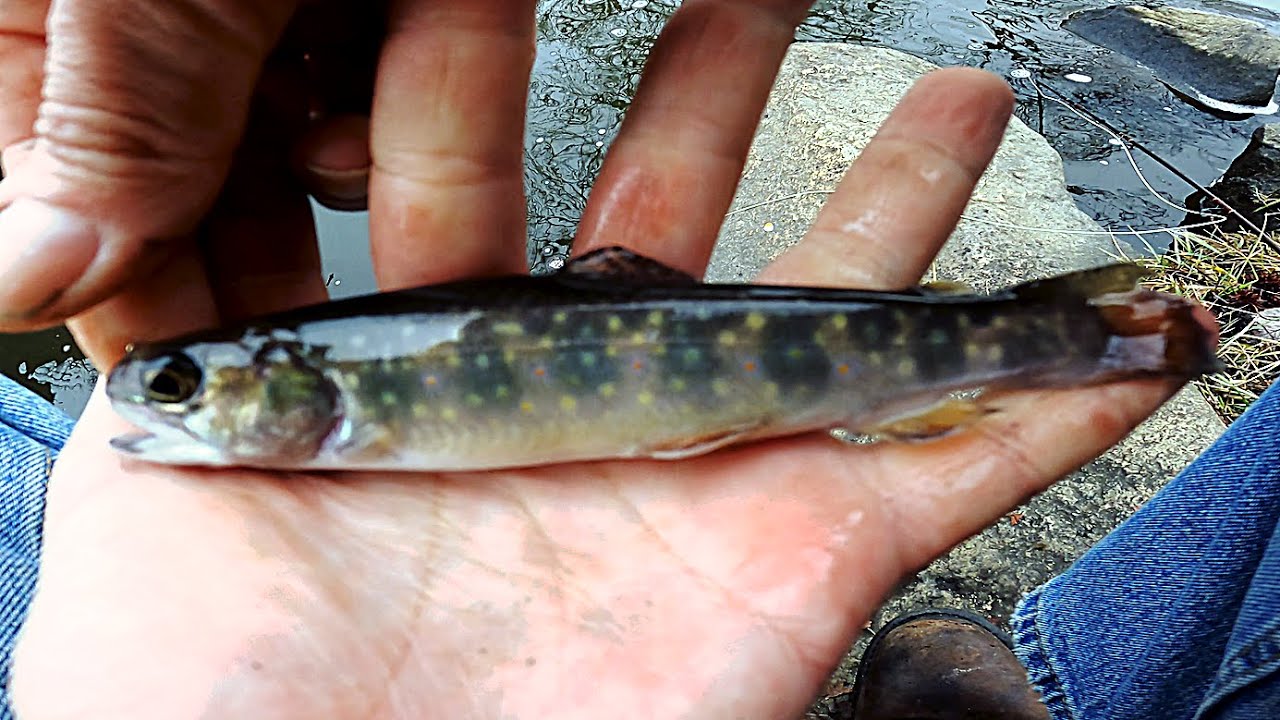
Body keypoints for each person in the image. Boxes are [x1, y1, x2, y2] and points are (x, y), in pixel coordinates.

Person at [0, 1, 1271, 718]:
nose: (146, 404)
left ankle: (1074, 379)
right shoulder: (321, 404)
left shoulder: (342, 399)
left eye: (175, 389)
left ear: (287, 384)